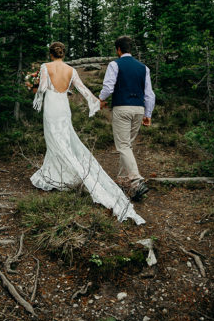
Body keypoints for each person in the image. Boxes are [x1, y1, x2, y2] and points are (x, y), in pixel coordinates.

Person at [32, 42, 144, 225]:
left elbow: (43, 87)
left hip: (51, 106)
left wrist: (33, 87)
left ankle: (62, 174)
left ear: (50, 54)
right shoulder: (71, 70)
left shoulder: (45, 66)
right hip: (63, 107)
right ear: (63, 54)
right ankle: (56, 173)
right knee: (64, 140)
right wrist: (96, 101)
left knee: (53, 140)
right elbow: (82, 89)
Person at [98, 35, 155, 201]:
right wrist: (148, 114)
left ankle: (136, 181)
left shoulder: (115, 64)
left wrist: (100, 99)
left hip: (122, 108)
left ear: (118, 49)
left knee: (123, 145)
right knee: (127, 145)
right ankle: (123, 180)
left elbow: (108, 87)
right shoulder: (144, 68)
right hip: (139, 109)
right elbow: (149, 94)